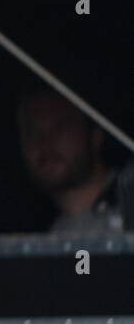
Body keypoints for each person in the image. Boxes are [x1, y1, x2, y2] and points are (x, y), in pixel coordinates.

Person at [17, 85, 134, 234]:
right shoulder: (53, 236)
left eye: (59, 127)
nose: (45, 142)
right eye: (32, 132)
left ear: (95, 135)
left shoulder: (128, 199)